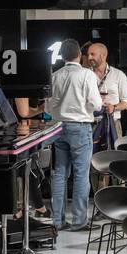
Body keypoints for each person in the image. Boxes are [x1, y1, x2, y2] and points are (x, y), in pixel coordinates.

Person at [46, 39, 103, 230]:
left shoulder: (54, 76)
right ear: (80, 55)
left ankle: (58, 221)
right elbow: (96, 105)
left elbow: (48, 106)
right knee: (81, 175)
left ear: (61, 56)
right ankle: (79, 221)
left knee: (59, 174)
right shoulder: (87, 75)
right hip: (80, 127)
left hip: (58, 128)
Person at [83, 41, 127, 143]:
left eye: (92, 54)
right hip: (89, 124)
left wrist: (114, 107)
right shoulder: (84, 75)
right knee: (89, 157)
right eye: (88, 55)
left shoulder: (118, 75)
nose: (89, 57)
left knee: (113, 156)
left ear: (103, 55)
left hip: (113, 123)